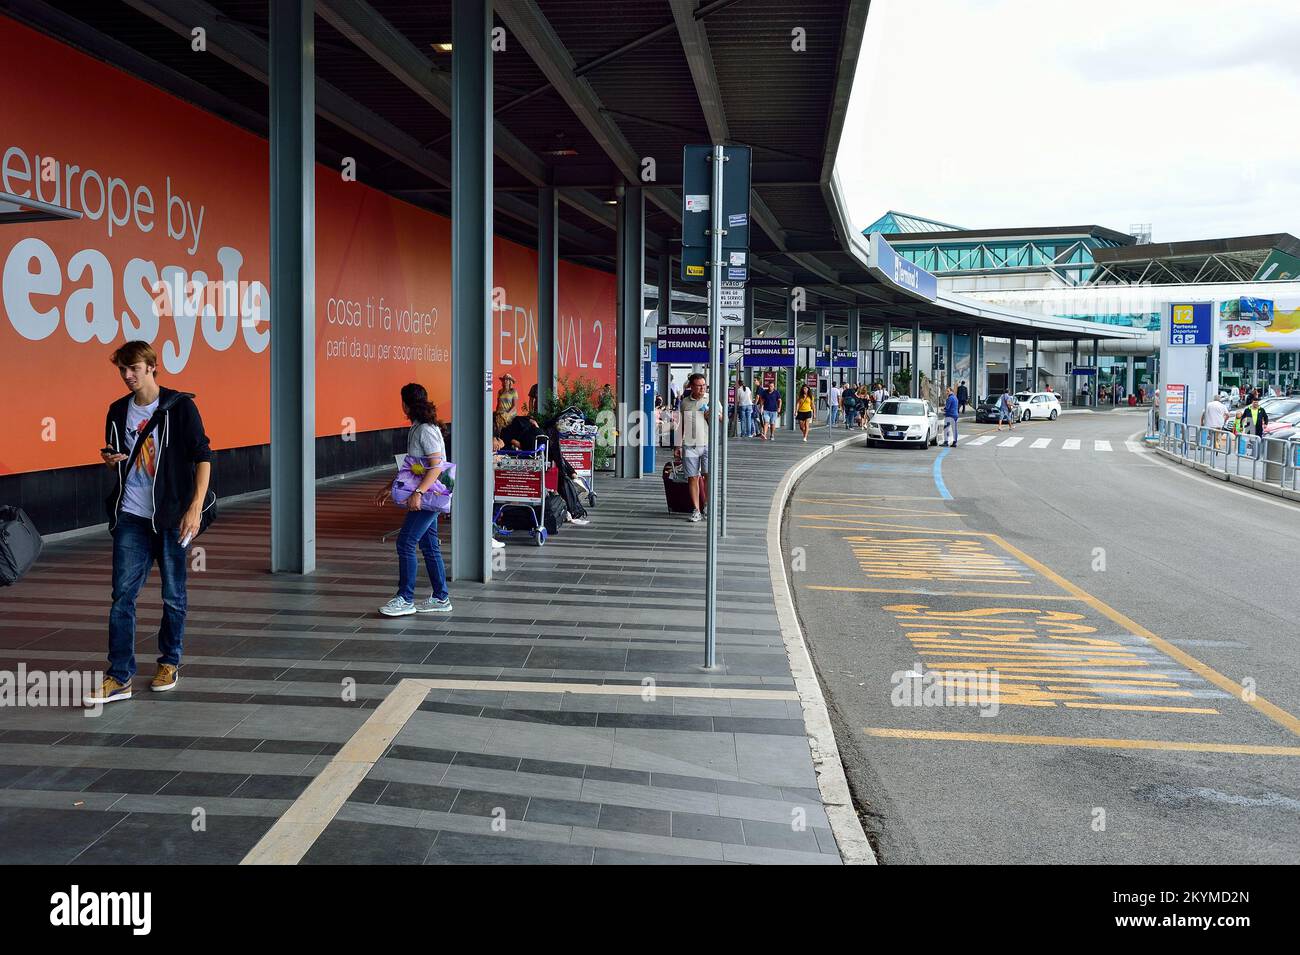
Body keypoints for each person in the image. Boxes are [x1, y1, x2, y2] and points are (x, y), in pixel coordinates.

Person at [85, 341, 212, 704]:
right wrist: (112, 461)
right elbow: (115, 454)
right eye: (122, 370)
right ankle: (119, 676)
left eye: (134, 369)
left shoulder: (180, 407)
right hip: (131, 516)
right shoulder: (116, 410)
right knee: (122, 596)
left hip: (171, 517)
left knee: (173, 596)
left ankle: (169, 662)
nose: (128, 376)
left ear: (152, 366)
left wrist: (195, 506)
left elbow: (203, 455)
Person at [375, 384, 453, 617]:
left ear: (406, 404)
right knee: (429, 546)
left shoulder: (425, 430)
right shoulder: (420, 428)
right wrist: (391, 486)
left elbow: (436, 466)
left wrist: (418, 493)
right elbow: (413, 467)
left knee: (405, 543)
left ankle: (405, 598)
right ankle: (440, 598)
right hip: (429, 494)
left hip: (429, 496)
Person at [500, 413, 589, 525]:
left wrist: (520, 445)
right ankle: (573, 476)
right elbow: (534, 426)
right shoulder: (525, 420)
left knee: (550, 457)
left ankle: (571, 482)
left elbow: (515, 443)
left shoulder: (508, 429)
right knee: (556, 456)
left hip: (530, 447)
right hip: (541, 438)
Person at [674, 373, 719, 522]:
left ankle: (707, 506)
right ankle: (696, 509)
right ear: (691, 387)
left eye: (704, 385)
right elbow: (681, 425)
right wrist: (677, 445)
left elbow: (723, 418)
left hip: (708, 444)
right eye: (699, 385)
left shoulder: (711, 399)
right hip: (690, 445)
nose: (702, 388)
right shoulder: (685, 402)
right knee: (692, 478)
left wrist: (712, 415)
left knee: (708, 477)